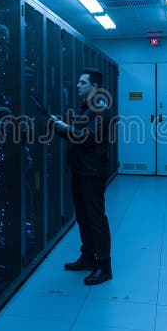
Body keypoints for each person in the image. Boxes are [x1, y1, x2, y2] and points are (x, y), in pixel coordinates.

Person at [48, 68, 112, 285]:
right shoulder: (86, 108)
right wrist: (57, 126)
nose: (77, 85)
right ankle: (88, 257)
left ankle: (104, 266)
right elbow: (75, 135)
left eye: (82, 82)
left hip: (92, 174)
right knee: (83, 219)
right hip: (80, 171)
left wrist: (65, 127)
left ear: (94, 87)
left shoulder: (100, 110)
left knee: (96, 220)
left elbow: (87, 139)